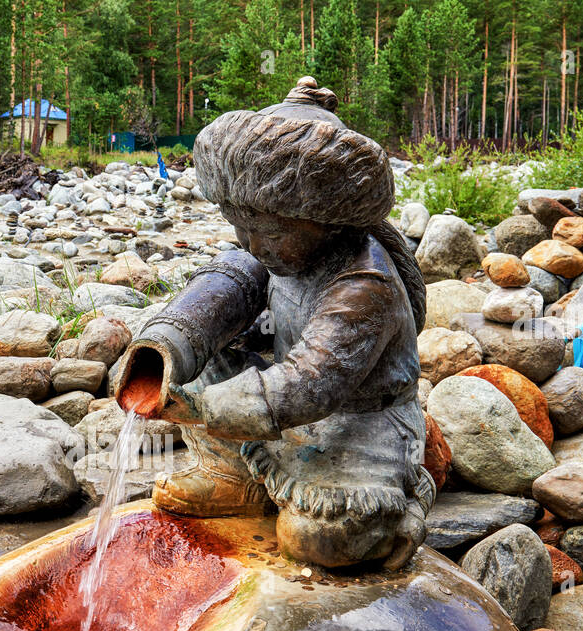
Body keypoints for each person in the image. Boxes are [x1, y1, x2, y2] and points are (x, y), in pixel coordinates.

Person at [117, 77, 432, 569]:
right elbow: (222, 290)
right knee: (200, 352)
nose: (252, 244)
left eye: (268, 232)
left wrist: (199, 407)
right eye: (240, 227)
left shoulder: (365, 281)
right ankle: (233, 477)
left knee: (315, 538)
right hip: (283, 406)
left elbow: (312, 383)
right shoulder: (273, 249)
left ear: (328, 220)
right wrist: (165, 348)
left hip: (359, 422)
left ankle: (408, 502)